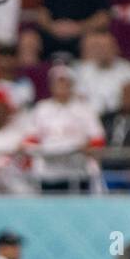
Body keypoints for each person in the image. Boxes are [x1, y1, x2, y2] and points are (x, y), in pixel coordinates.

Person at [26, 64, 106, 192]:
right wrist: (41, 150)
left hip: (77, 171)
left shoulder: (85, 109)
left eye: (64, 82)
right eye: (57, 82)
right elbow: (29, 141)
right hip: (49, 173)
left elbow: (98, 139)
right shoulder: (41, 108)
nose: (61, 86)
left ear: (72, 84)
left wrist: (85, 147)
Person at [72, 30, 130, 117]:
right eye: (99, 47)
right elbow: (77, 96)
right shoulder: (84, 70)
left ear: (115, 48)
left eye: (106, 47)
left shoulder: (128, 69)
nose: (103, 51)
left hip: (119, 117)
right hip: (90, 118)